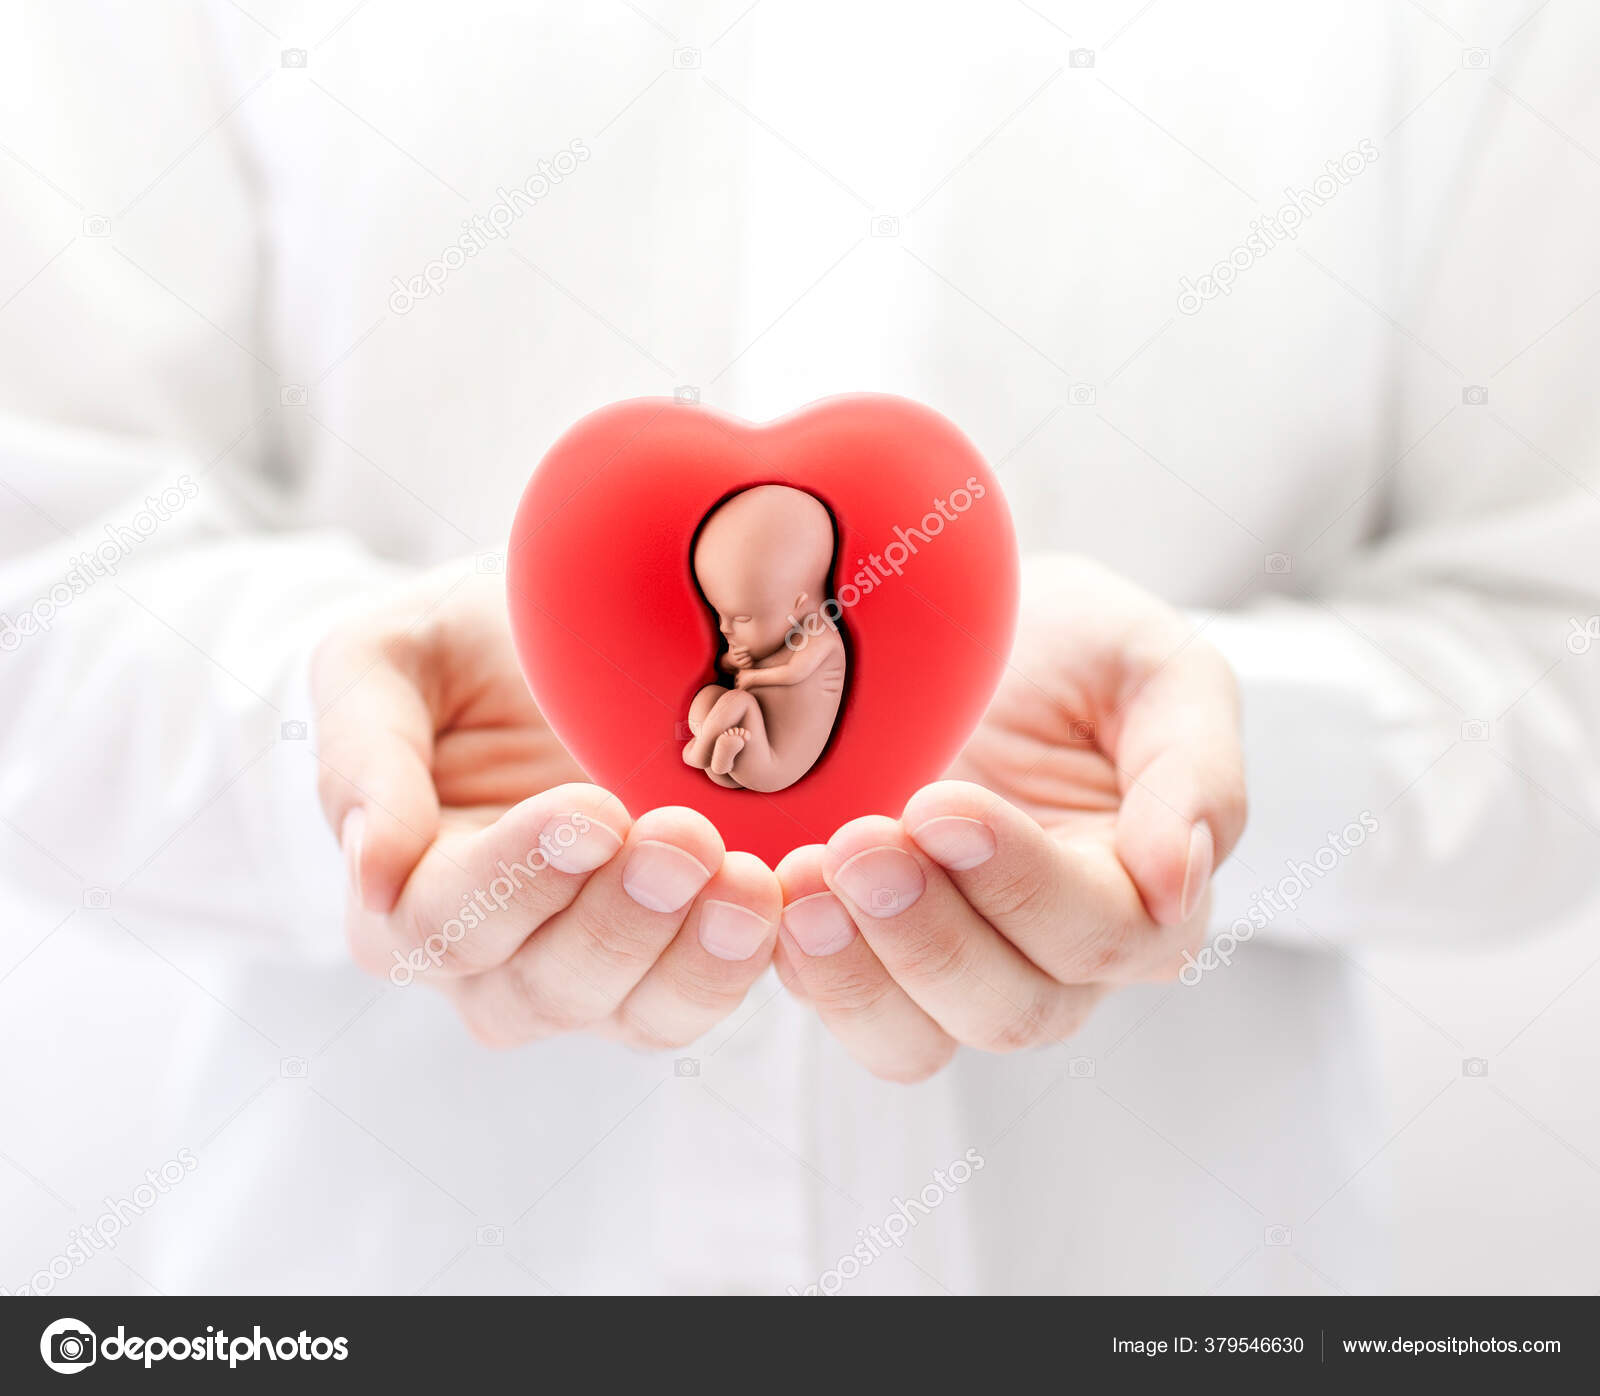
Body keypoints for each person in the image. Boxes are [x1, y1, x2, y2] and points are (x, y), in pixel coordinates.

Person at [2, 3, 1597, 1295]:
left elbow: (1557, 651)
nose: (744, 646)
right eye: (732, 624)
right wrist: (355, 774)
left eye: (773, 621)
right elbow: (43, 580)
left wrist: (1214, 774)